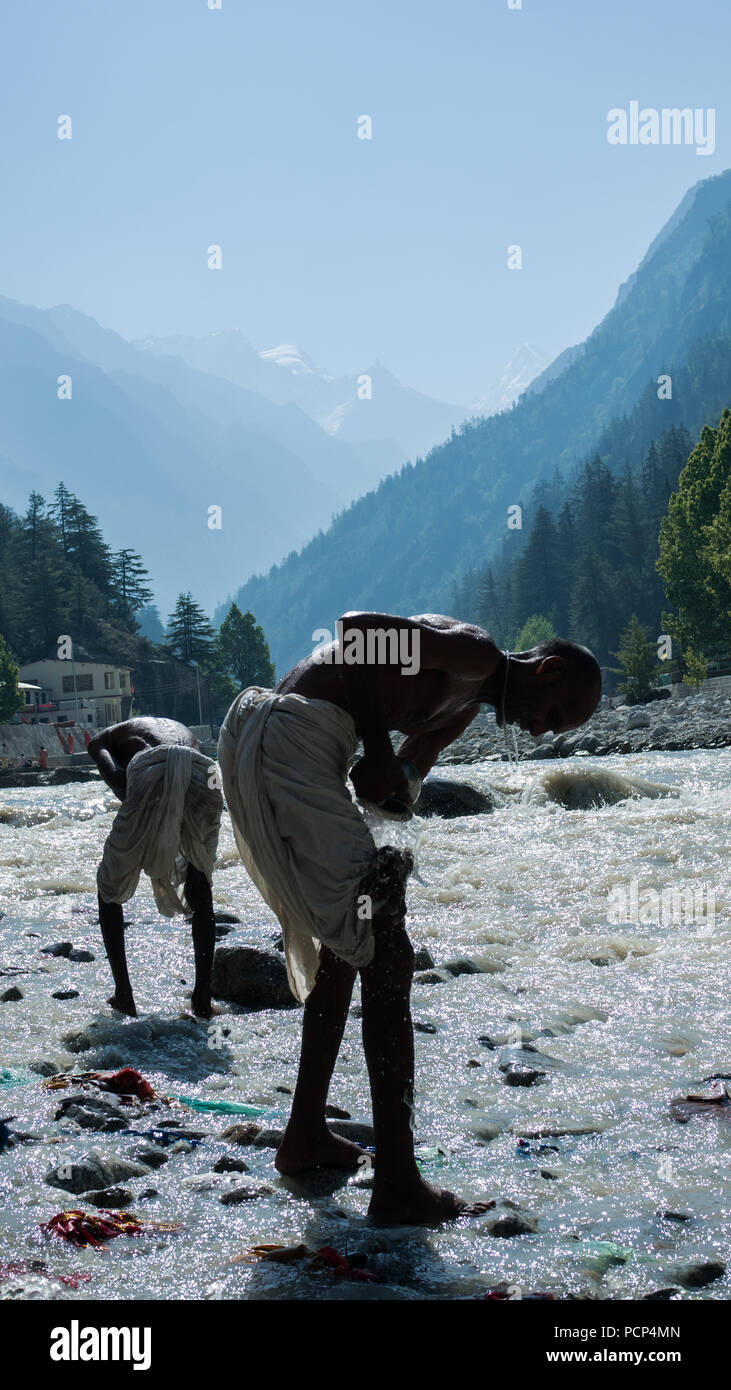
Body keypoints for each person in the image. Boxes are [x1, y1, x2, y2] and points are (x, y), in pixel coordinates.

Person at [218, 612, 601, 1224]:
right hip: (292, 736)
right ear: (548, 671)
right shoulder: (475, 651)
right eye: (551, 716)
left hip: (286, 744)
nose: (538, 732)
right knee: (389, 953)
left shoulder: (464, 707)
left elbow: (402, 776)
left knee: (356, 945)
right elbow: (356, 634)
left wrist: (393, 821)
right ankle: (396, 1183)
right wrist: (373, 748)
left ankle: (305, 1135)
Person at [88, 717, 223, 1019]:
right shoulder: (172, 730)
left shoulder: (115, 734)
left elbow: (94, 743)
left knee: (108, 889)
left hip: (154, 768)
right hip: (205, 775)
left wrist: (120, 781)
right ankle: (202, 998)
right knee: (199, 882)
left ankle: (124, 994)